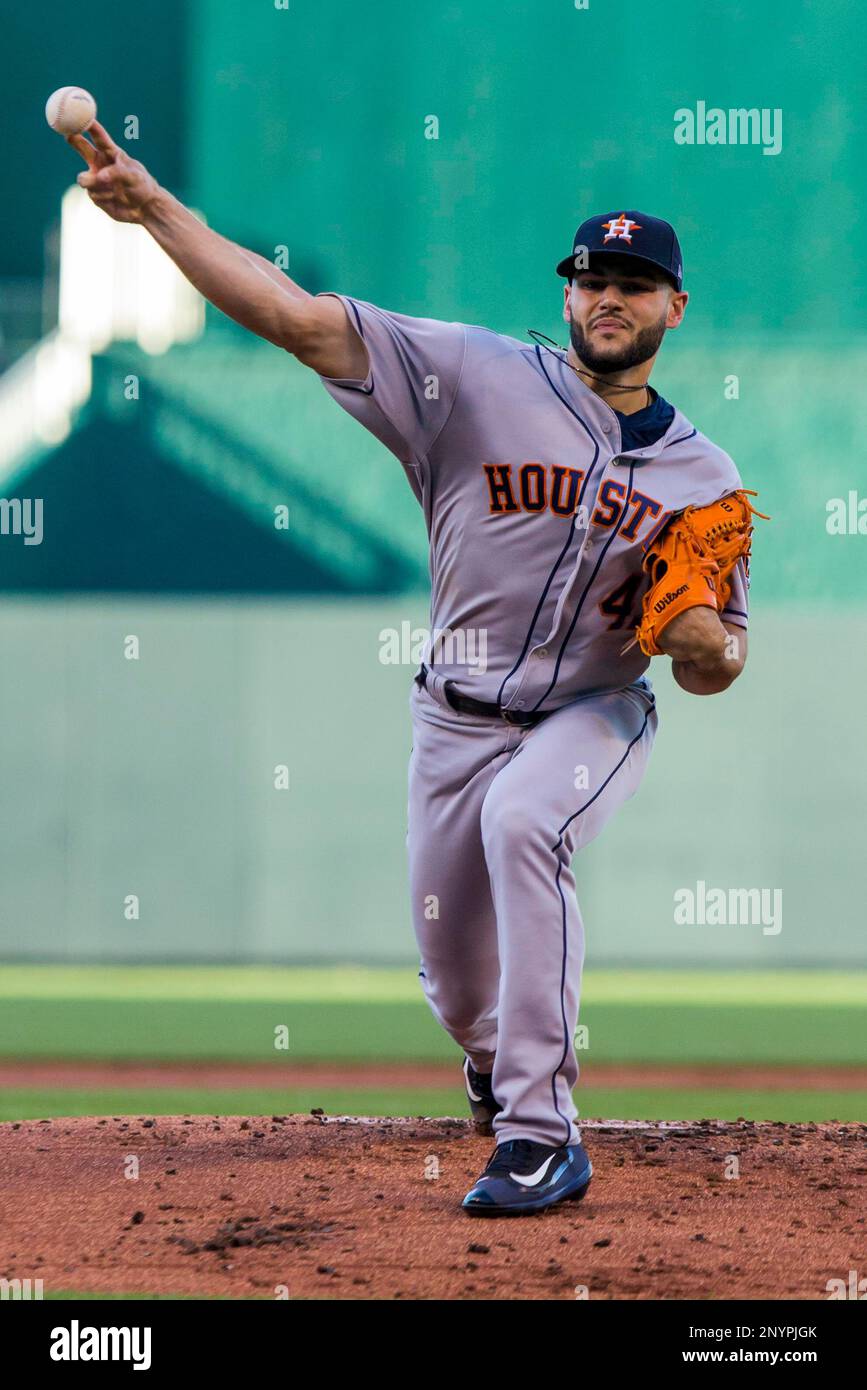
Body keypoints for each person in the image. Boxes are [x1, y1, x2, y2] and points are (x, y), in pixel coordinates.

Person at [68, 125, 749, 1217]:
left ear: (676, 307)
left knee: (529, 821)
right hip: (455, 719)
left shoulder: (705, 477)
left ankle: (540, 1133)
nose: (608, 297)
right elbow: (292, 317)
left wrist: (707, 646)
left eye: (634, 282)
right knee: (454, 985)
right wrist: (154, 208)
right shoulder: (470, 375)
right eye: (591, 280)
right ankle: (491, 1059)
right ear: (566, 297)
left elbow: (720, 662)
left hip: (593, 712)